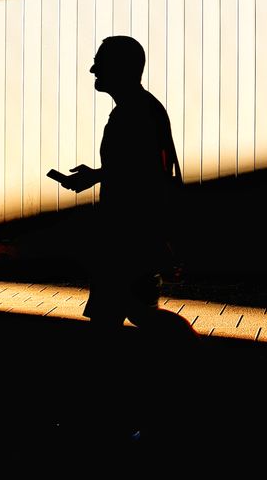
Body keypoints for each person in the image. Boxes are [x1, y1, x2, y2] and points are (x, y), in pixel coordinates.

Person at [55, 35, 196, 438]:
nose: (93, 69)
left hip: (126, 239)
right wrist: (97, 176)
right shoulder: (143, 110)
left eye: (99, 62)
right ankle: (119, 412)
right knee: (127, 317)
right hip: (134, 237)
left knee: (111, 324)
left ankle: (104, 417)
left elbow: (146, 177)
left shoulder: (132, 114)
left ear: (120, 67)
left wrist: (104, 181)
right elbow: (146, 171)